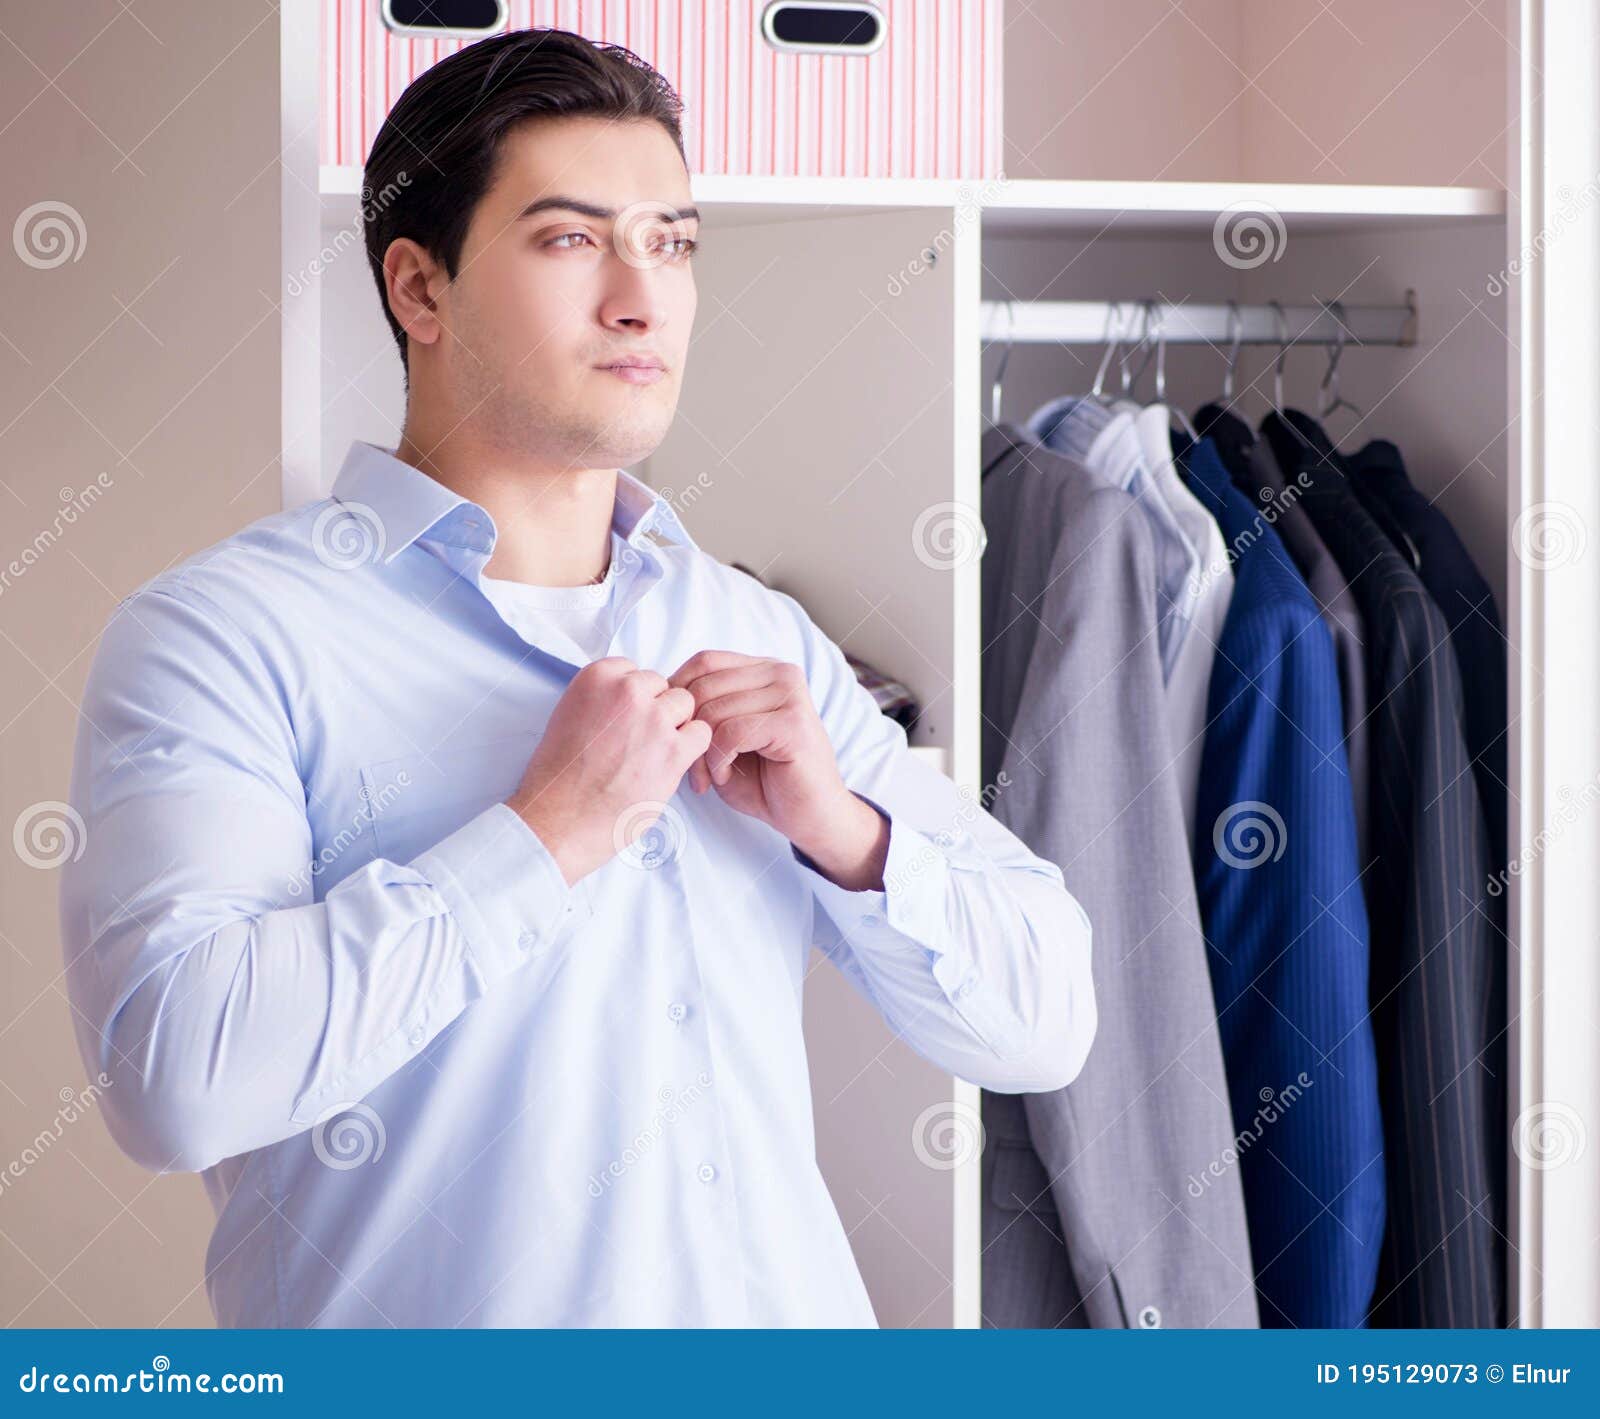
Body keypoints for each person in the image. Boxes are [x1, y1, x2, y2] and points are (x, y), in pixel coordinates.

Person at [58, 27, 1096, 1328]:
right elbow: (176, 1080)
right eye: (569, 239)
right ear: (420, 292)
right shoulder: (224, 640)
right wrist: (541, 839)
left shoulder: (760, 635)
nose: (639, 297)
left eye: (670, 242)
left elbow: (1046, 1023)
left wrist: (851, 835)